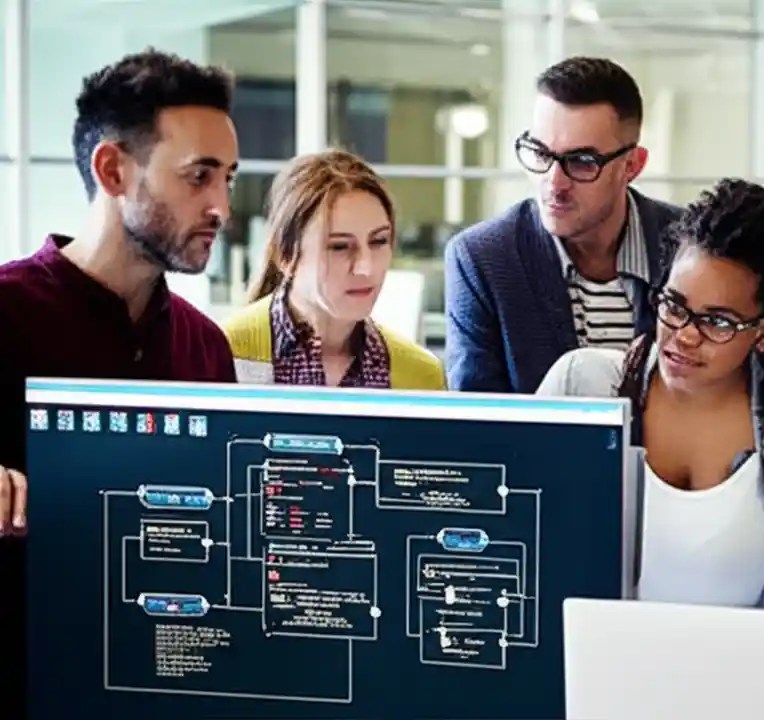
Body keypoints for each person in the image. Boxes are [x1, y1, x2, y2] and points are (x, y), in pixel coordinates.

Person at [0, 49, 241, 715]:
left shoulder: (204, 348)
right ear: (112, 169)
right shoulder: (7, 312)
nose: (222, 206)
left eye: (228, 177)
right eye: (198, 176)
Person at [537, 178, 764, 611]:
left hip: (745, 673)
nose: (685, 336)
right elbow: (520, 551)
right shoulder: (580, 387)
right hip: (594, 670)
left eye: (718, 322)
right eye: (674, 305)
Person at [444, 56, 681, 394]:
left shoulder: (690, 246)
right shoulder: (482, 259)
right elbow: (480, 429)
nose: (554, 183)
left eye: (582, 162)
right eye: (540, 153)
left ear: (632, 165)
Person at [221, 150, 445, 390]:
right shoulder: (220, 353)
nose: (365, 268)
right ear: (285, 255)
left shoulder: (421, 375)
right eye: (339, 247)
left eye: (379, 241)